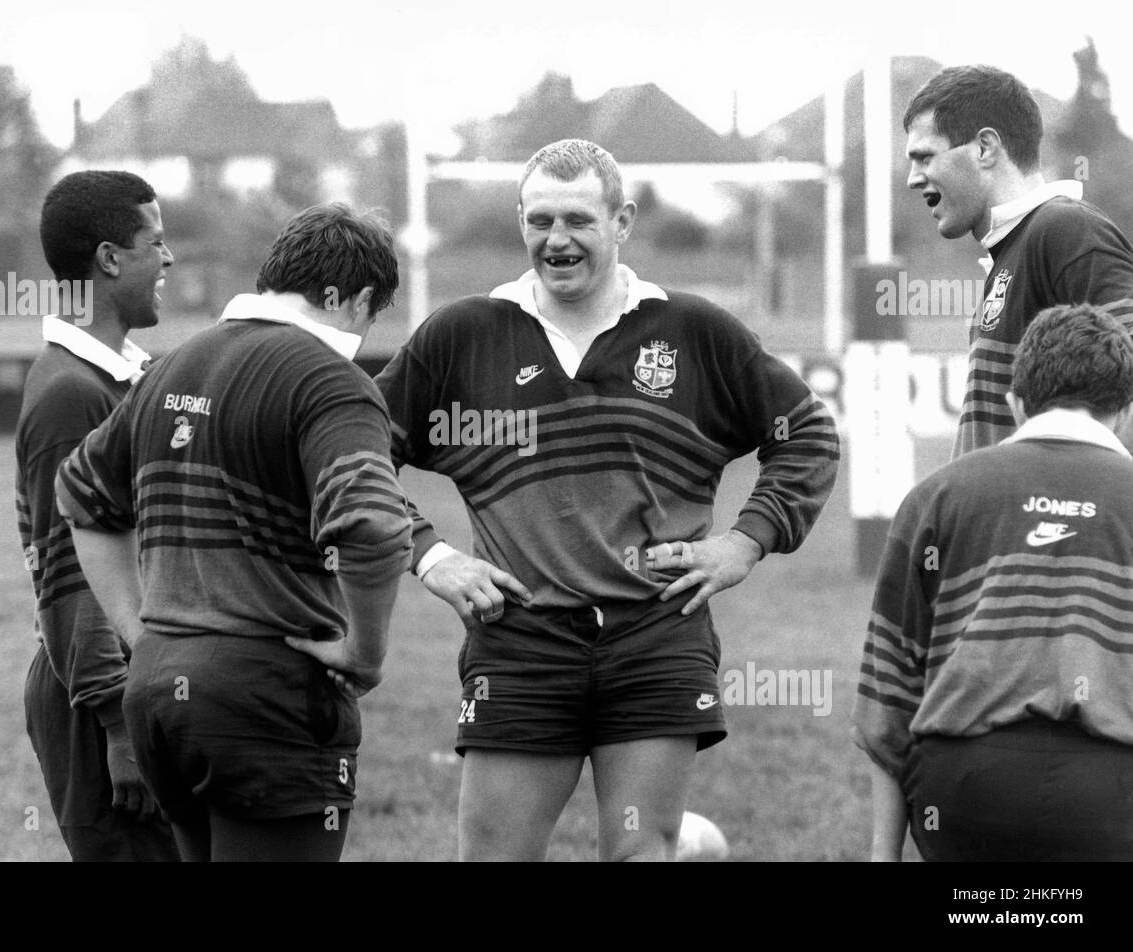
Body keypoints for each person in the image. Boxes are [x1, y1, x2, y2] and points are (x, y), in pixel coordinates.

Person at [374, 139, 840, 861]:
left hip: (656, 635)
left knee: (639, 853)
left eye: (578, 221)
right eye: (539, 220)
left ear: (621, 222)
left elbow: (806, 433)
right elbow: (353, 451)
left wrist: (745, 541)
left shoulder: (693, 332)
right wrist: (430, 556)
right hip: (521, 639)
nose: (556, 240)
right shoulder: (463, 336)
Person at [55, 203, 412, 862]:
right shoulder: (332, 382)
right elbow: (372, 526)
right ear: (351, 297)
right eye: (371, 313)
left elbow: (80, 496)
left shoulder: (171, 367)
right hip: (265, 689)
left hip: (160, 690)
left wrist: (141, 634)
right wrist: (364, 653)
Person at [853, 302, 1133, 861]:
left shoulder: (936, 496)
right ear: (1125, 411)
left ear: (1015, 404)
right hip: (1112, 795)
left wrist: (884, 856)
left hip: (963, 793)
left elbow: (887, 701)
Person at [15, 169, 179, 860]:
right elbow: (66, 571)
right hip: (99, 697)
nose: (168, 258)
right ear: (110, 259)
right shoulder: (69, 394)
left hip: (140, 680)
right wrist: (118, 722)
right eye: (155, 242)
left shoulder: (121, 377)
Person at [902, 64, 1133, 457]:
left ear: (985, 148)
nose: (913, 177)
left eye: (925, 157)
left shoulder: (1066, 230)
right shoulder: (1016, 245)